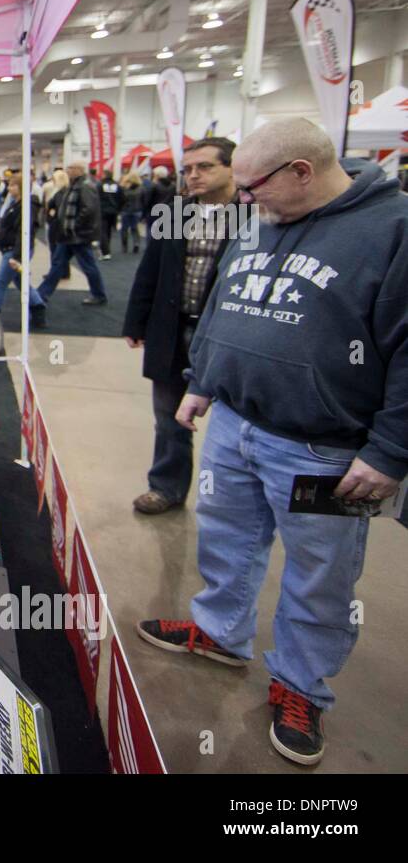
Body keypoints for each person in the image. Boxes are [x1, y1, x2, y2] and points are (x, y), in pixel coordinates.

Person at [138, 118, 408, 767]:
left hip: (327, 448)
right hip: (233, 423)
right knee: (225, 538)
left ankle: (300, 683)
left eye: (254, 188)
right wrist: (203, 381)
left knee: (321, 574)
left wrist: (389, 450)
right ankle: (221, 631)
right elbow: (227, 302)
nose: (243, 199)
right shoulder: (262, 219)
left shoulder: (393, 228)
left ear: (301, 173)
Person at [122, 138, 239, 515]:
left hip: (228, 337)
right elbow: (151, 269)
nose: (193, 175)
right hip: (172, 329)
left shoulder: (255, 216)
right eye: (188, 169)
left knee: (236, 425)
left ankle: (231, 504)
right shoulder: (177, 211)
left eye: (204, 167)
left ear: (232, 168)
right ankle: (167, 487)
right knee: (168, 416)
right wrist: (136, 321)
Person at [37, 162, 107, 305]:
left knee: (87, 265)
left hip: (78, 235)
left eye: (70, 168)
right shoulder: (74, 186)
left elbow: (88, 210)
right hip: (69, 235)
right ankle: (42, 294)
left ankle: (99, 295)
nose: (67, 171)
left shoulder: (85, 186)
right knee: (58, 264)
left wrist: (75, 225)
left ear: (78, 170)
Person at [0, 175, 46, 327]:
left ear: (22, 186)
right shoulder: (15, 203)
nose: (9, 188)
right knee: (20, 281)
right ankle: (38, 306)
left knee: (0, 282)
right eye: (9, 185)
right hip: (11, 249)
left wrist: (17, 256)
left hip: (15, 250)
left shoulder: (27, 206)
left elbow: (25, 233)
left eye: (13, 185)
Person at [98, 169, 122, 260]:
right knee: (108, 230)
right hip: (114, 211)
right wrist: (118, 208)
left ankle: (105, 251)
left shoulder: (100, 185)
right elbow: (122, 198)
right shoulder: (117, 186)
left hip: (102, 211)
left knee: (102, 231)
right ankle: (107, 247)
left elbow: (96, 197)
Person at [119, 171, 145, 254]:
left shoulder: (124, 188)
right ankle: (136, 243)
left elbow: (121, 199)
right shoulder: (141, 188)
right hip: (137, 210)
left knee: (124, 229)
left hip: (125, 210)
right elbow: (143, 200)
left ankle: (124, 246)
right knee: (135, 228)